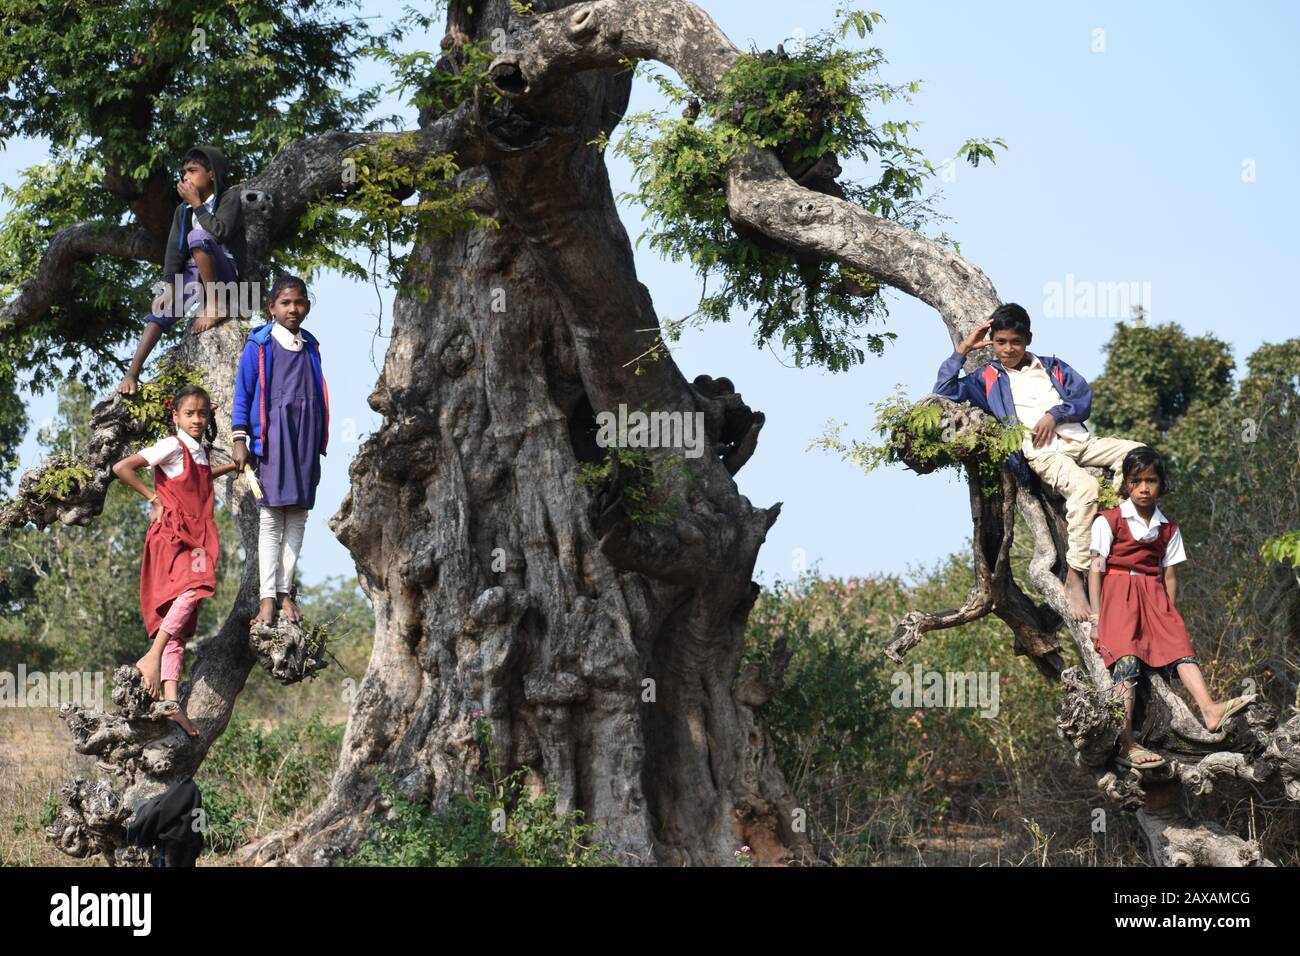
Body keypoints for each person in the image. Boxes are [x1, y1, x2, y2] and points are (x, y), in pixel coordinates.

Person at [934, 302, 1143, 620]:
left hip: (1080, 441)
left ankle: (1120, 518)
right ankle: (1075, 576)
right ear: (991, 340)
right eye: (1000, 341)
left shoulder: (1053, 367)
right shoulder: (988, 378)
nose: (1008, 349)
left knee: (1139, 453)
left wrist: (1053, 414)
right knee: (1085, 488)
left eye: (1015, 342)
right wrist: (964, 348)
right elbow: (944, 390)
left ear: (1028, 339)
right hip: (1043, 453)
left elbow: (1082, 399)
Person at [1088, 446, 1253, 769]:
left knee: (1181, 647)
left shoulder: (1168, 529)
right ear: (1126, 483)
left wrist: (1168, 615)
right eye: (1137, 481)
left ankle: (1209, 709)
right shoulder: (1109, 521)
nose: (1144, 488)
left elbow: (1171, 576)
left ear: (1161, 483)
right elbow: (1095, 569)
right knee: (1127, 661)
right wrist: (1096, 616)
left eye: (1151, 480)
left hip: (1154, 594)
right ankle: (1126, 740)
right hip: (1118, 593)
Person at [111, 385, 238, 736]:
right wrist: (154, 497)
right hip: (173, 535)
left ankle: (171, 704)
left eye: (202, 413)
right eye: (189, 413)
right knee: (195, 588)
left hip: (198, 537)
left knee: (180, 623)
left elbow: (198, 481)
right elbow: (123, 467)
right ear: (176, 417)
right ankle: (152, 656)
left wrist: (229, 467)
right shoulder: (171, 445)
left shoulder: (200, 451)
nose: (197, 419)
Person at [231, 275, 329, 627]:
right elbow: (243, 395)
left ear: (307, 306)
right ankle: (268, 599)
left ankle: (287, 591)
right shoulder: (259, 344)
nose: (293, 309)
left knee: (298, 517)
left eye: (299, 302)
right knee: (271, 518)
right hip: (272, 441)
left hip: (304, 440)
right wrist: (240, 439)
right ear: (271, 306)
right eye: (285, 303)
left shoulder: (312, 346)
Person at [118, 145, 247, 396]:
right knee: (161, 309)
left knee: (198, 236)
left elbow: (219, 232)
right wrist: (169, 286)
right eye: (183, 172)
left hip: (225, 270)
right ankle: (133, 372)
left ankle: (215, 305)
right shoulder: (182, 210)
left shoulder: (230, 198)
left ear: (211, 174)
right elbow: (174, 252)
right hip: (194, 268)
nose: (185, 177)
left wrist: (198, 205)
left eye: (192, 171)